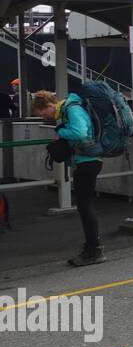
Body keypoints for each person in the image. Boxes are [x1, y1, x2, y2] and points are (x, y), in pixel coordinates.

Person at [31, 89, 105, 266]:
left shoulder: (72, 110)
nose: (46, 117)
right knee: (84, 205)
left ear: (49, 105)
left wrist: (61, 132)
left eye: (44, 113)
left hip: (87, 162)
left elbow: (80, 133)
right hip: (86, 161)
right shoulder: (68, 110)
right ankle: (92, 247)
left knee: (85, 206)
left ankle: (93, 250)